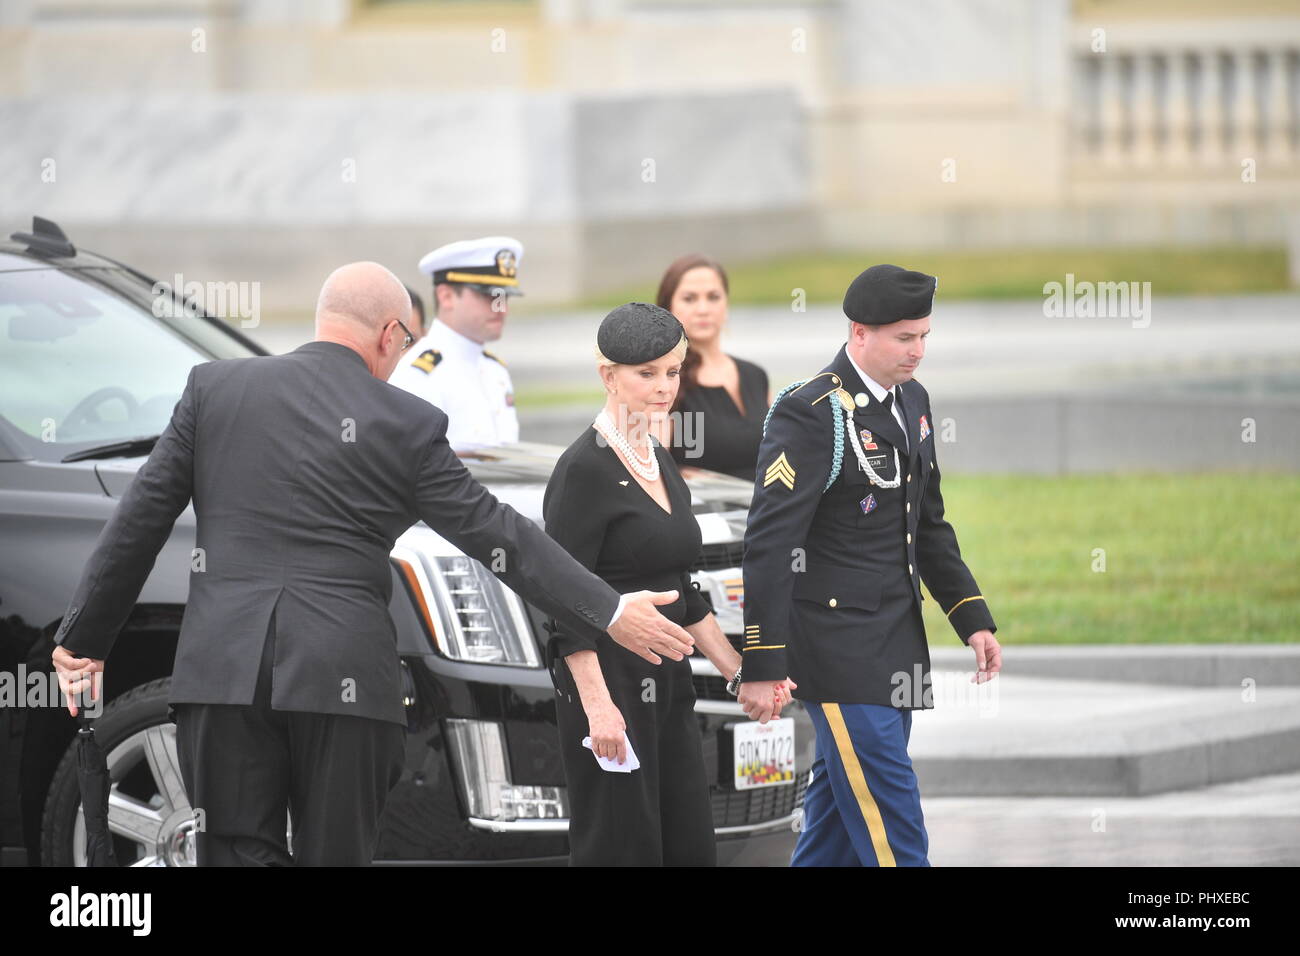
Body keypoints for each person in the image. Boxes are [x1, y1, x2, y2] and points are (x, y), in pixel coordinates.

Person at [50, 263, 696, 866]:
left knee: (235, 851)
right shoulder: (405, 422)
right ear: (391, 333)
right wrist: (608, 611)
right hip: (343, 679)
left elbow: (139, 520)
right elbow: (500, 537)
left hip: (223, 675)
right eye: (407, 343)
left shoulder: (216, 389)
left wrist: (83, 641)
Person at [738, 264, 1003, 867]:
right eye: (904, 337)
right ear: (860, 333)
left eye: (925, 336)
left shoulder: (913, 401)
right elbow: (770, 544)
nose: (918, 351)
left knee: (835, 829)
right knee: (893, 826)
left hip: (893, 646)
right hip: (836, 651)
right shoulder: (812, 411)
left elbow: (927, 524)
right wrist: (762, 662)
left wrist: (972, 616)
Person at [541, 302, 791, 866]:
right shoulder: (583, 468)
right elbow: (561, 600)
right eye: (646, 374)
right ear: (608, 376)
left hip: (668, 682)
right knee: (623, 846)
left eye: (673, 372)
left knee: (686, 841)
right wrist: (599, 709)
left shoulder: (656, 454)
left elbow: (681, 586)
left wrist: (739, 672)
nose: (664, 387)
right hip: (608, 684)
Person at [388, 237, 523, 447]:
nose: (501, 308)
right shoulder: (418, 375)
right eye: (489, 296)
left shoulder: (495, 369)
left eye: (505, 297)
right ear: (447, 296)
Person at [656, 253, 771, 481]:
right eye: (689, 299)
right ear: (668, 307)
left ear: (726, 304)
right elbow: (649, 470)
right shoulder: (663, 379)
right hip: (701, 513)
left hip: (763, 511)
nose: (703, 309)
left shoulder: (754, 375)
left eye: (713, 297)